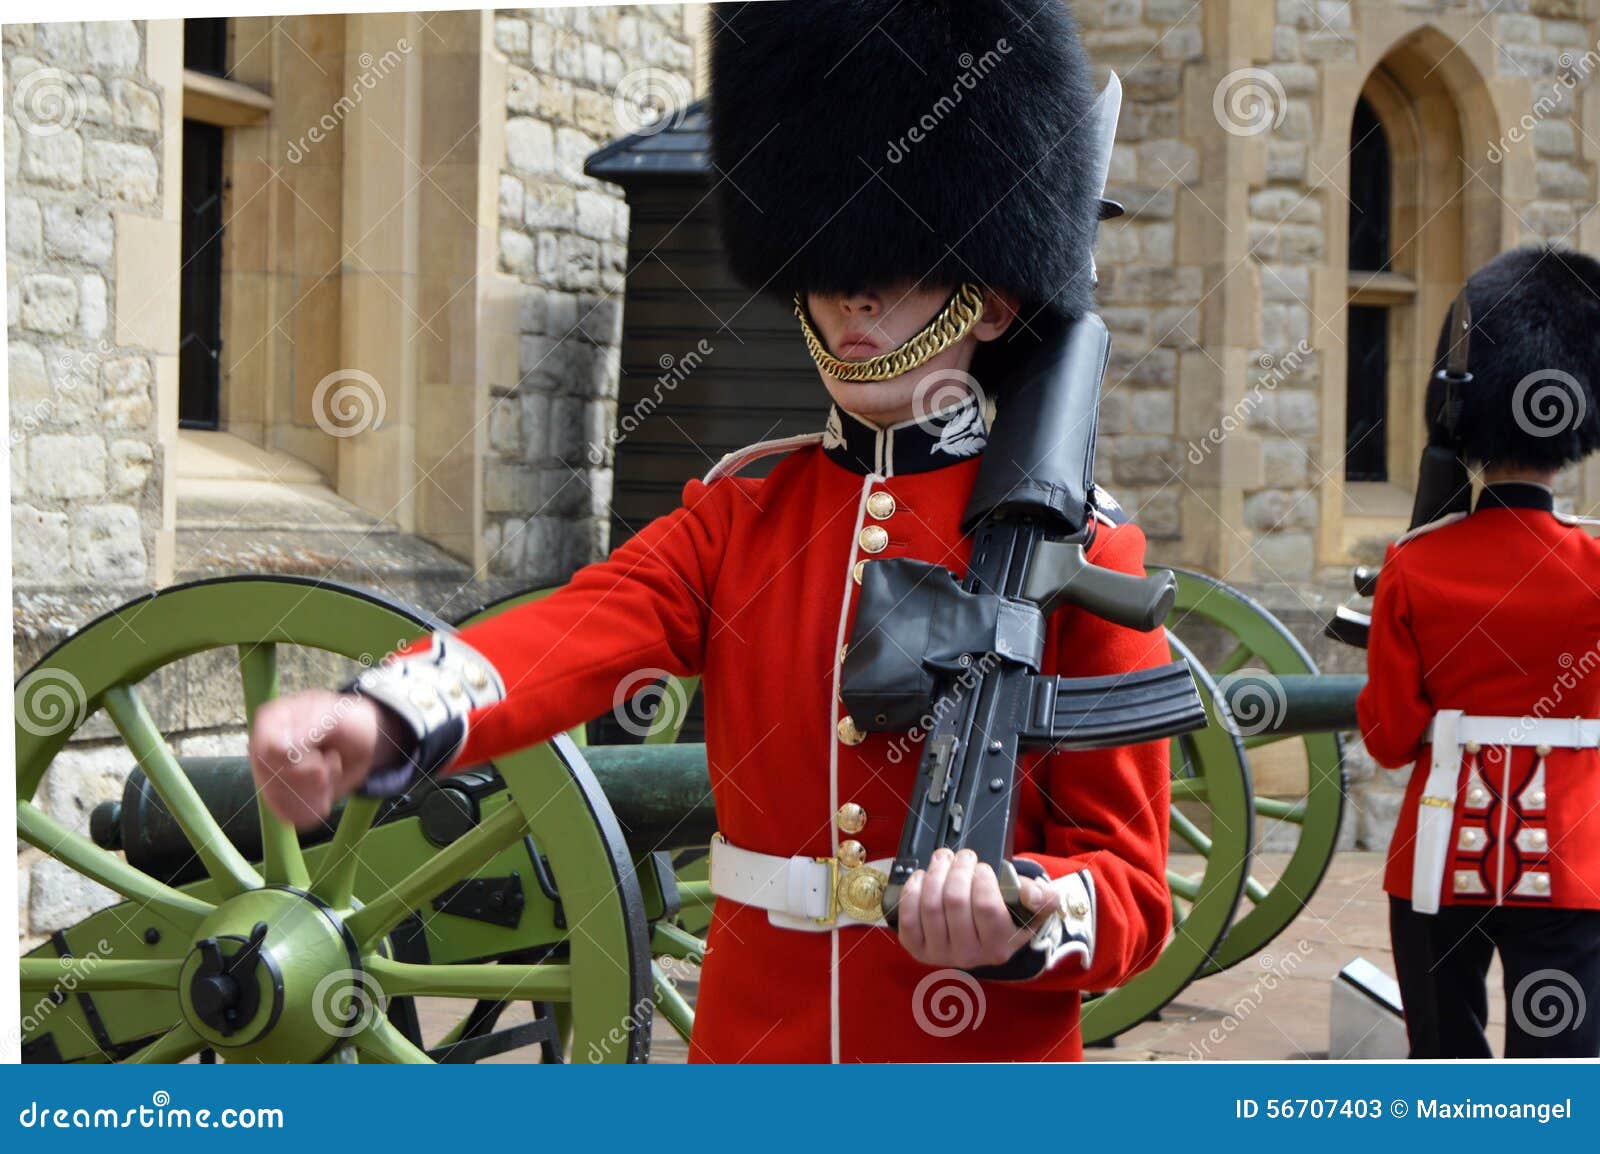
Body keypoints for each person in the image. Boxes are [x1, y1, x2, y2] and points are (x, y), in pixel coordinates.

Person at [249, 0, 1173, 1062]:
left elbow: (1132, 892)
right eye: (827, 259)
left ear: (993, 302)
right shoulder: (742, 515)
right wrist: (385, 716)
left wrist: (1024, 906)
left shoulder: (1086, 553)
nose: (851, 293)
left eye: (902, 260)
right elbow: (573, 634)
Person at [1357, 243, 1600, 1059]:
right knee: (1561, 1091)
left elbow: (1390, 738)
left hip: (1434, 865)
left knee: (1445, 1088)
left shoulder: (1414, 563)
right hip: (1568, 864)